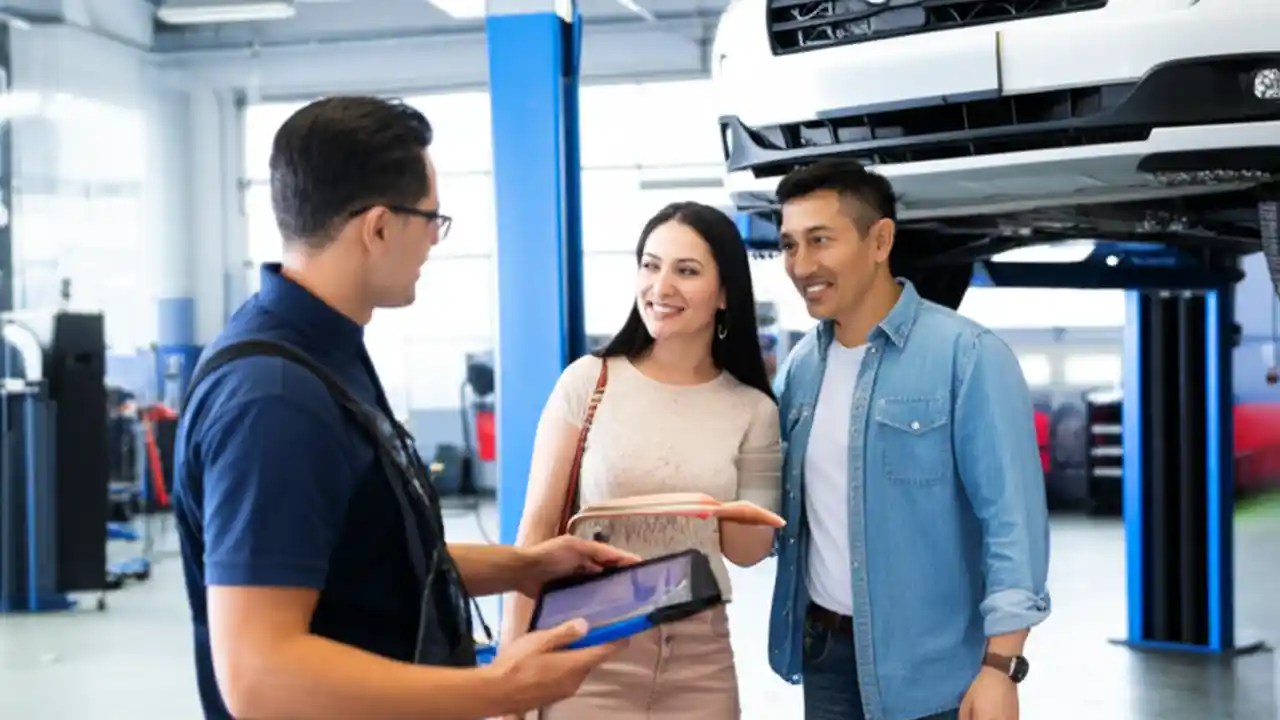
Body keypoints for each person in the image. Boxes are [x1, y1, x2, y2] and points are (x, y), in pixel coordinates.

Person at [171, 95, 637, 720]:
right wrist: (498, 688)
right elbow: (260, 676)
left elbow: (370, 558)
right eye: (432, 220)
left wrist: (524, 567)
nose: (433, 242)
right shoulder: (275, 402)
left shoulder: (324, 357)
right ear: (380, 227)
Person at [765, 160, 1051, 720]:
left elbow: (1012, 520)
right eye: (790, 245)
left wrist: (1002, 667)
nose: (802, 265)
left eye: (820, 240)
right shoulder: (800, 369)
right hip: (826, 658)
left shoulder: (966, 356)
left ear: (880, 240)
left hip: (936, 670)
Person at [500, 202, 785, 719]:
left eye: (687, 270)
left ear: (725, 294)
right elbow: (536, 532)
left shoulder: (754, 409)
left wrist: (733, 506)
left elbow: (747, 550)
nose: (661, 286)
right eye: (650, 265)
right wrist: (509, 669)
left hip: (700, 658)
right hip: (587, 645)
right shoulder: (589, 381)